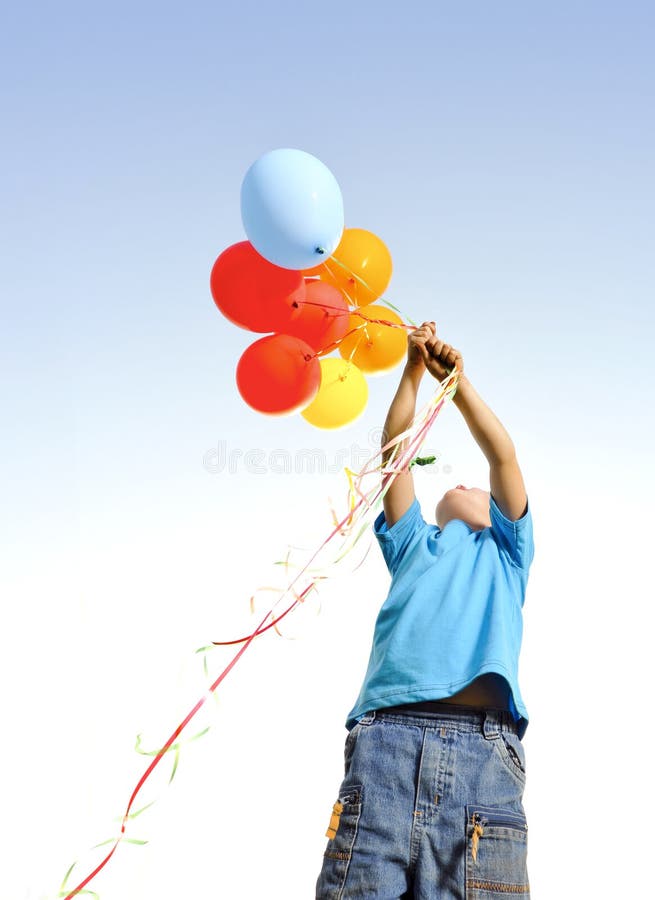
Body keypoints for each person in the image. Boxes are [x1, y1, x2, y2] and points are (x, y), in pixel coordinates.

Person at [316, 322, 535, 899]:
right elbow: (395, 453)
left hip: (482, 758)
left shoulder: (507, 552)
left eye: (479, 487)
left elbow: (502, 453)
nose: (465, 480)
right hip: (386, 745)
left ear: (499, 513)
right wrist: (411, 372)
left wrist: (457, 385)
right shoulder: (415, 543)